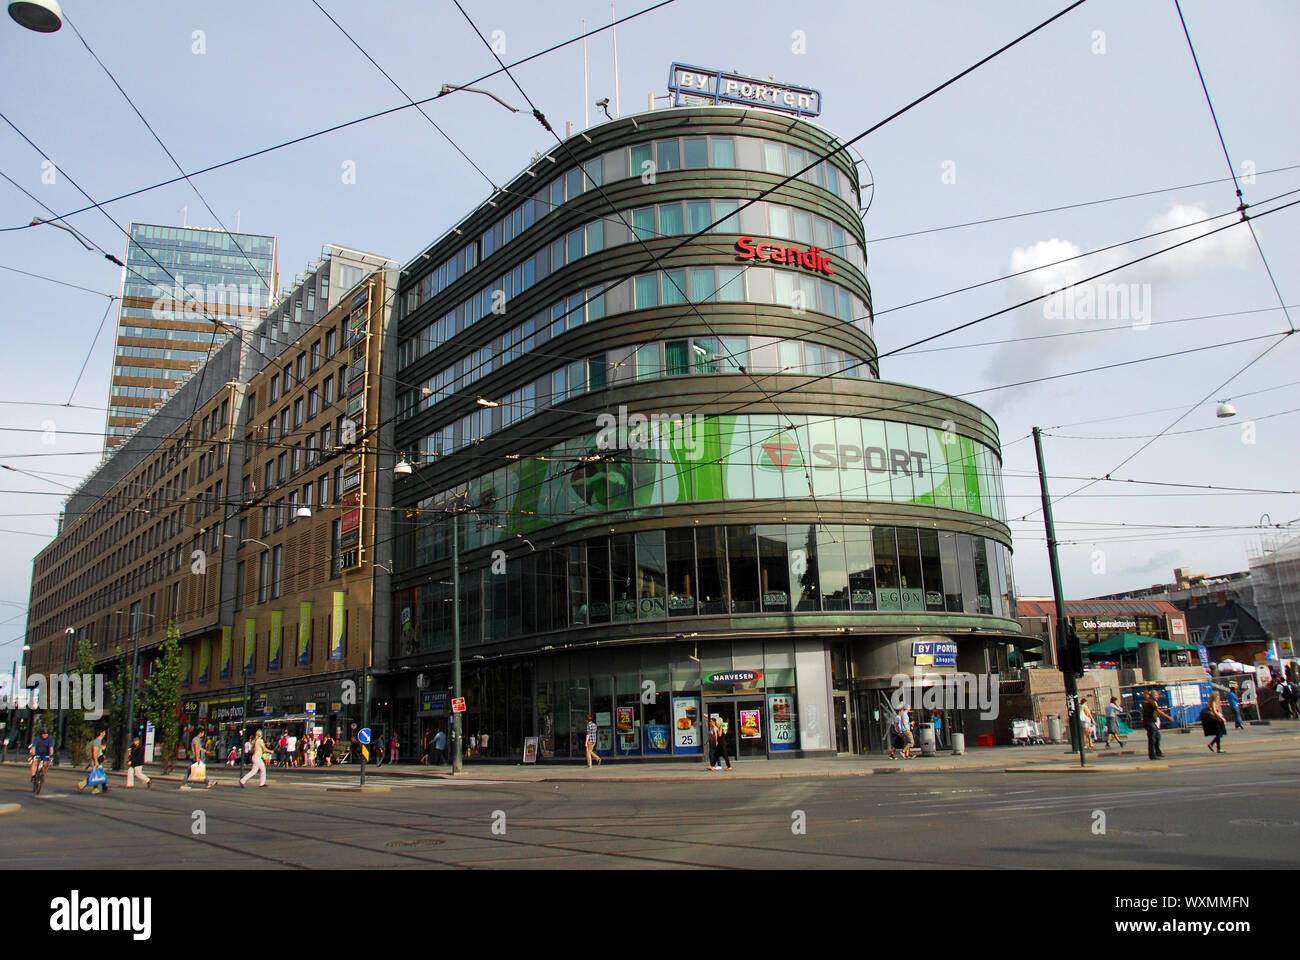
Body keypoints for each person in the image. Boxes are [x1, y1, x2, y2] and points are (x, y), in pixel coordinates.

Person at [1141, 691, 1174, 760]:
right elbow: (1158, 711)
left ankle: (1157, 752)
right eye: (1156, 695)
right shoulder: (1150, 702)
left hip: (1150, 721)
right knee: (1152, 739)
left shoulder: (1147, 702)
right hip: (1149, 722)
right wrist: (1168, 717)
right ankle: (1153, 755)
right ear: (1152, 696)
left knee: (1157, 737)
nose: (1158, 697)